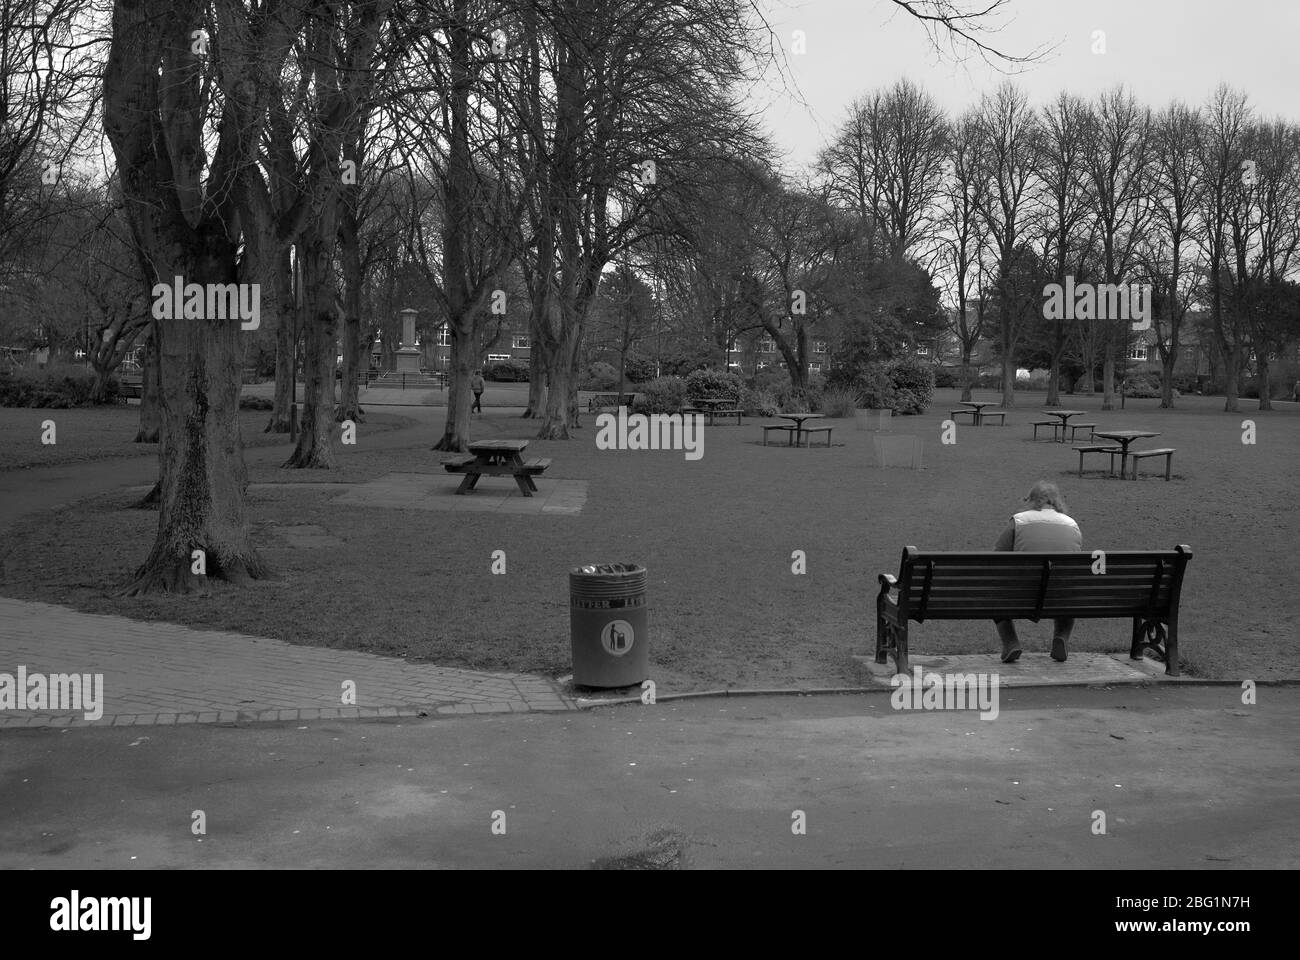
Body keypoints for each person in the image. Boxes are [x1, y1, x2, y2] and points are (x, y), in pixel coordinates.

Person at [993, 480, 1082, 664]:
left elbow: (997, 557)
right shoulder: (1072, 525)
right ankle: (1061, 638)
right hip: (1060, 596)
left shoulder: (1019, 521)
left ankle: (1011, 643)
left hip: (1021, 595)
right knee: (1067, 589)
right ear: (1057, 501)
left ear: (1031, 500)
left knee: (996, 593)